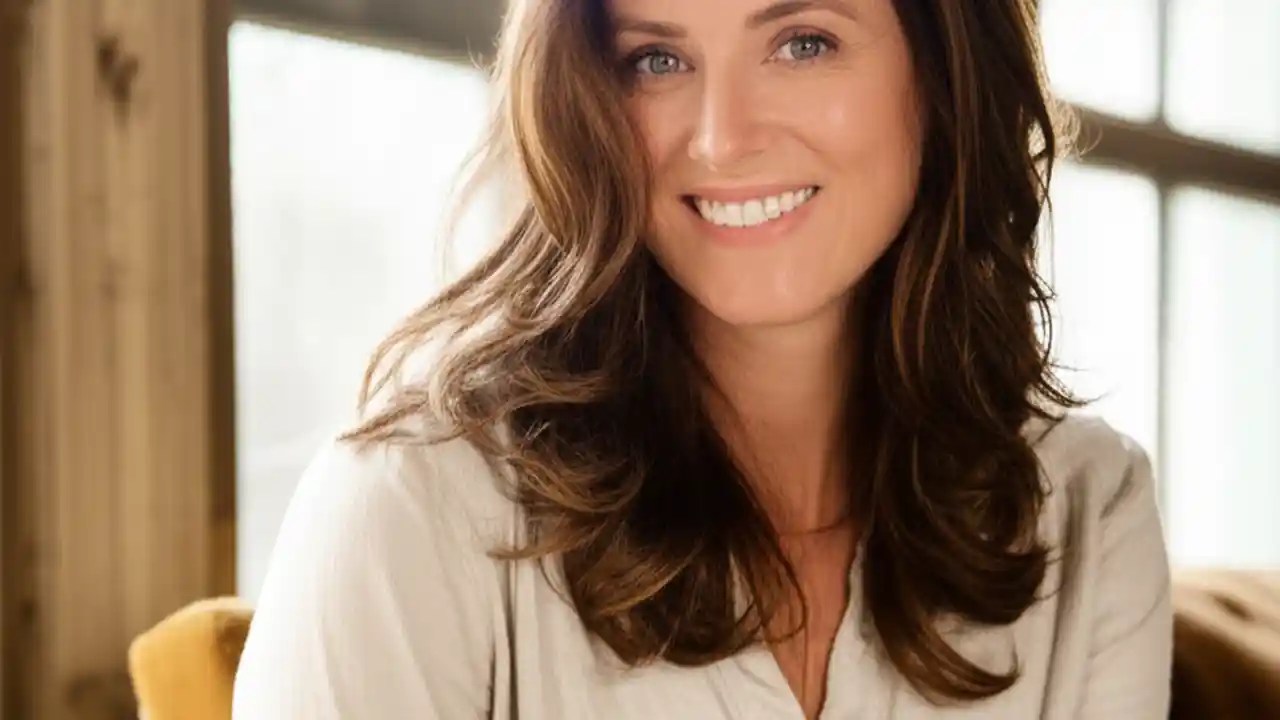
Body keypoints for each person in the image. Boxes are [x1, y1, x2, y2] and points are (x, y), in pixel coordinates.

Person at [232, 0, 1173, 717]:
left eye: (802, 42)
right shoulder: (411, 502)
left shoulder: (1089, 506)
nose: (723, 139)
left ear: (943, 65)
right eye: (657, 59)